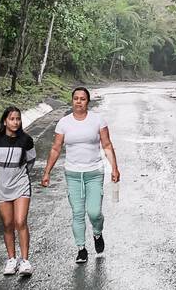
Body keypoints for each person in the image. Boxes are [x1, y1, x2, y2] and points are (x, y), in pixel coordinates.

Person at [40, 86, 120, 264]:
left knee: (94, 212)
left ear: (87, 102)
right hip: (73, 173)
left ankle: (97, 233)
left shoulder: (98, 120)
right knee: (77, 212)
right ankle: (81, 249)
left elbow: (107, 145)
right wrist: (47, 172)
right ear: (72, 100)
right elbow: (56, 148)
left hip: (94, 172)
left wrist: (114, 167)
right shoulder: (64, 123)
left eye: (82, 99)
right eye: (76, 98)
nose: (79, 101)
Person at [0, 106, 36, 276]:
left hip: (21, 184)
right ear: (5, 121)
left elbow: (31, 161)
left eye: (18, 119)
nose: (15, 122)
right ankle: (11, 259)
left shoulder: (26, 139)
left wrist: (21, 173)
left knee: (20, 222)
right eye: (12, 119)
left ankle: (25, 261)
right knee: (7, 224)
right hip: (2, 187)